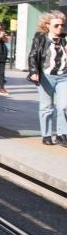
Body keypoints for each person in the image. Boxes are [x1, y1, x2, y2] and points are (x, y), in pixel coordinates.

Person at [28, 10, 67, 146]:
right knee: (46, 107)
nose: (60, 28)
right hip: (46, 75)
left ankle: (62, 135)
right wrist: (33, 71)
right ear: (47, 25)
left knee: (64, 106)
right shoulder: (40, 37)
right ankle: (47, 135)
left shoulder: (65, 38)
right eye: (56, 25)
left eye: (62, 25)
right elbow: (33, 54)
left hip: (64, 76)